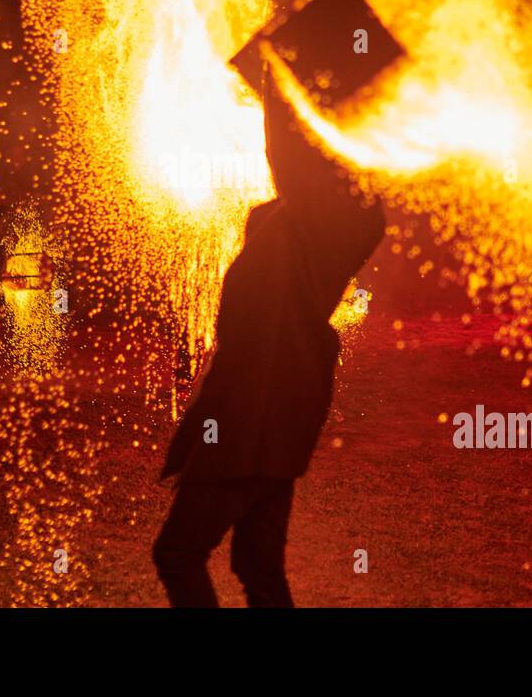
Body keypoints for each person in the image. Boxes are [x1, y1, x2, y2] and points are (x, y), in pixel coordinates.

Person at [152, 76, 386, 608]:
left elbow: (291, 161)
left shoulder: (321, 238)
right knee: (257, 566)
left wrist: (279, 84)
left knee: (178, 552)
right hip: (268, 429)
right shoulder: (292, 236)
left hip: (250, 428)